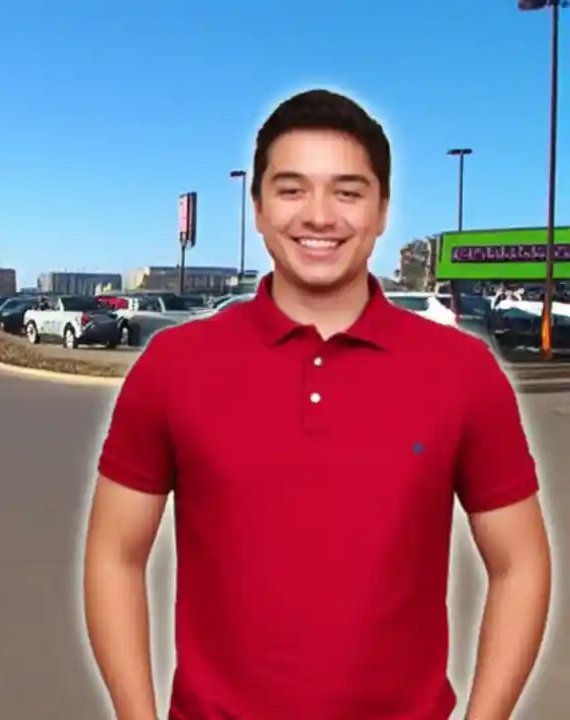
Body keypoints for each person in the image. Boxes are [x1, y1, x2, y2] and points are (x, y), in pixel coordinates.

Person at [83, 89, 552, 720]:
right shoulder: (174, 366)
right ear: (257, 208)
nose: (320, 215)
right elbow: (114, 556)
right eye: (292, 189)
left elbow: (521, 564)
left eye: (348, 191)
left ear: (382, 210)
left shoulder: (463, 373)